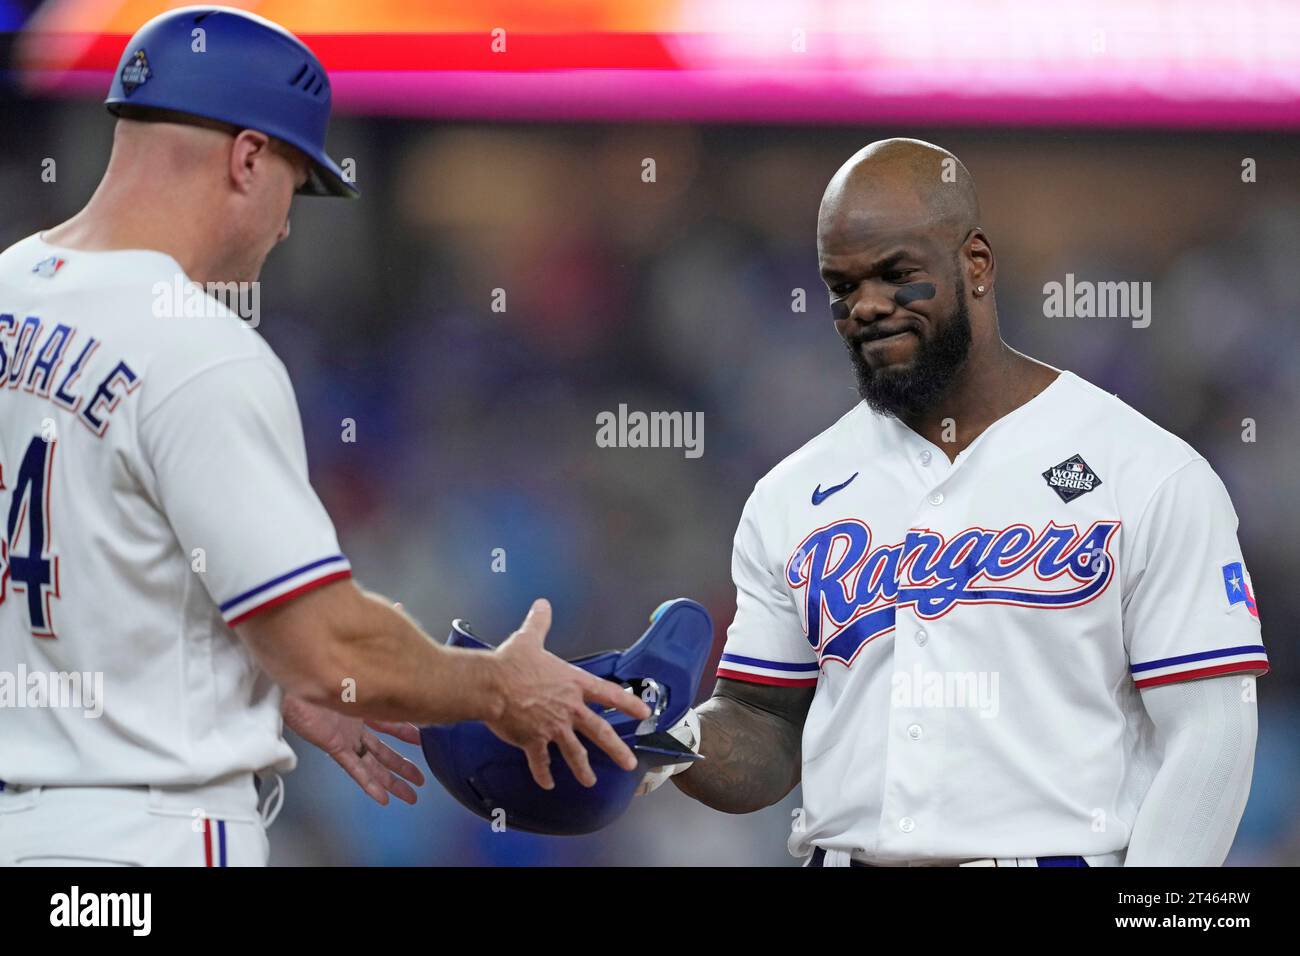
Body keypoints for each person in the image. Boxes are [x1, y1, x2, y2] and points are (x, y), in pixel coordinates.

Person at [0, 7, 645, 867]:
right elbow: (329, 644)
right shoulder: (200, 347)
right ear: (248, 157)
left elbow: (94, 557)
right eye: (294, 185)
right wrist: (499, 687)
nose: (287, 225)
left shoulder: (11, 288)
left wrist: (239, 674)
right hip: (143, 843)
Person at [640, 138, 1267, 867]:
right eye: (842, 287)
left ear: (975, 263)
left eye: (896, 275)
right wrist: (658, 738)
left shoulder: (1146, 471)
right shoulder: (792, 493)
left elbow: (1212, 733)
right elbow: (764, 720)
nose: (867, 306)